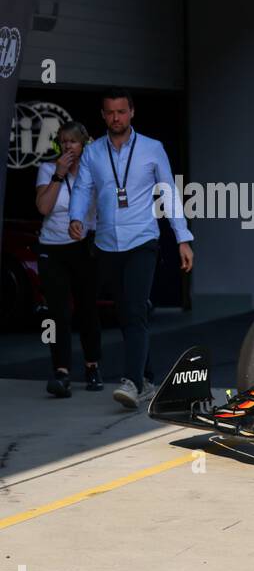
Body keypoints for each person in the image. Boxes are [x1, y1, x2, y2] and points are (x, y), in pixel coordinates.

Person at [68, 88, 194, 410]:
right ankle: (149, 378)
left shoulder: (152, 148)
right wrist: (76, 217)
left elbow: (168, 193)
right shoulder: (94, 152)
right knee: (128, 313)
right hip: (108, 244)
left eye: (121, 112)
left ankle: (132, 382)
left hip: (143, 240)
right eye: (110, 112)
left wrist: (182, 238)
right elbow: (82, 189)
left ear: (132, 113)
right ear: (102, 115)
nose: (116, 118)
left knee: (135, 309)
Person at [34, 121, 102, 398]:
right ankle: (61, 372)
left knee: (87, 309)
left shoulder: (93, 171)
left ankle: (92, 366)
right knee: (58, 313)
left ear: (83, 144)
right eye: (63, 142)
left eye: (73, 141)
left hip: (84, 246)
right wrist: (59, 174)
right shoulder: (49, 169)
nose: (67, 147)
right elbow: (43, 207)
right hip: (53, 247)